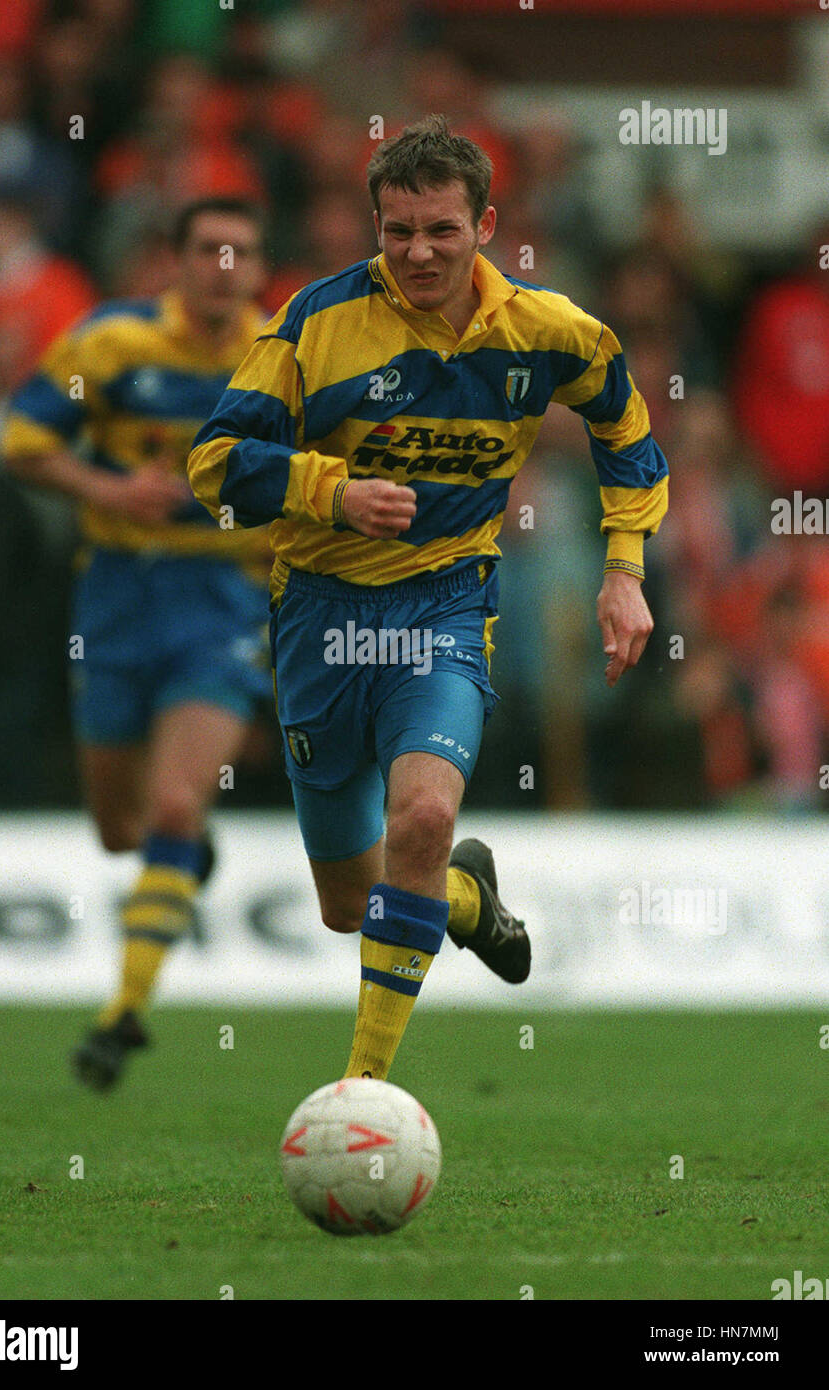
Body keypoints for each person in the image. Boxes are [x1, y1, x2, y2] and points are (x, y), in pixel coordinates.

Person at [188, 117, 668, 1082]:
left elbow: (624, 418)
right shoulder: (313, 325)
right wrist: (330, 490)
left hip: (446, 607)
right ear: (374, 226)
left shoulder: (550, 330)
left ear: (486, 224)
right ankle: (464, 903)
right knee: (348, 903)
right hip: (319, 616)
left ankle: (363, 1091)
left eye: (441, 230)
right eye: (398, 231)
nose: (418, 252)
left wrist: (625, 569)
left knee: (420, 821)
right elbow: (212, 463)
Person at [1, 197, 272, 1089]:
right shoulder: (113, 345)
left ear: (259, 266)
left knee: (171, 808)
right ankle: (178, 852)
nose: (223, 266)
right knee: (120, 830)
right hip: (117, 599)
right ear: (177, 259)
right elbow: (23, 439)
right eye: (207, 249)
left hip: (223, 602)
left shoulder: (280, 362)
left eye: (239, 251)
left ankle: (121, 1015)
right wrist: (104, 489)